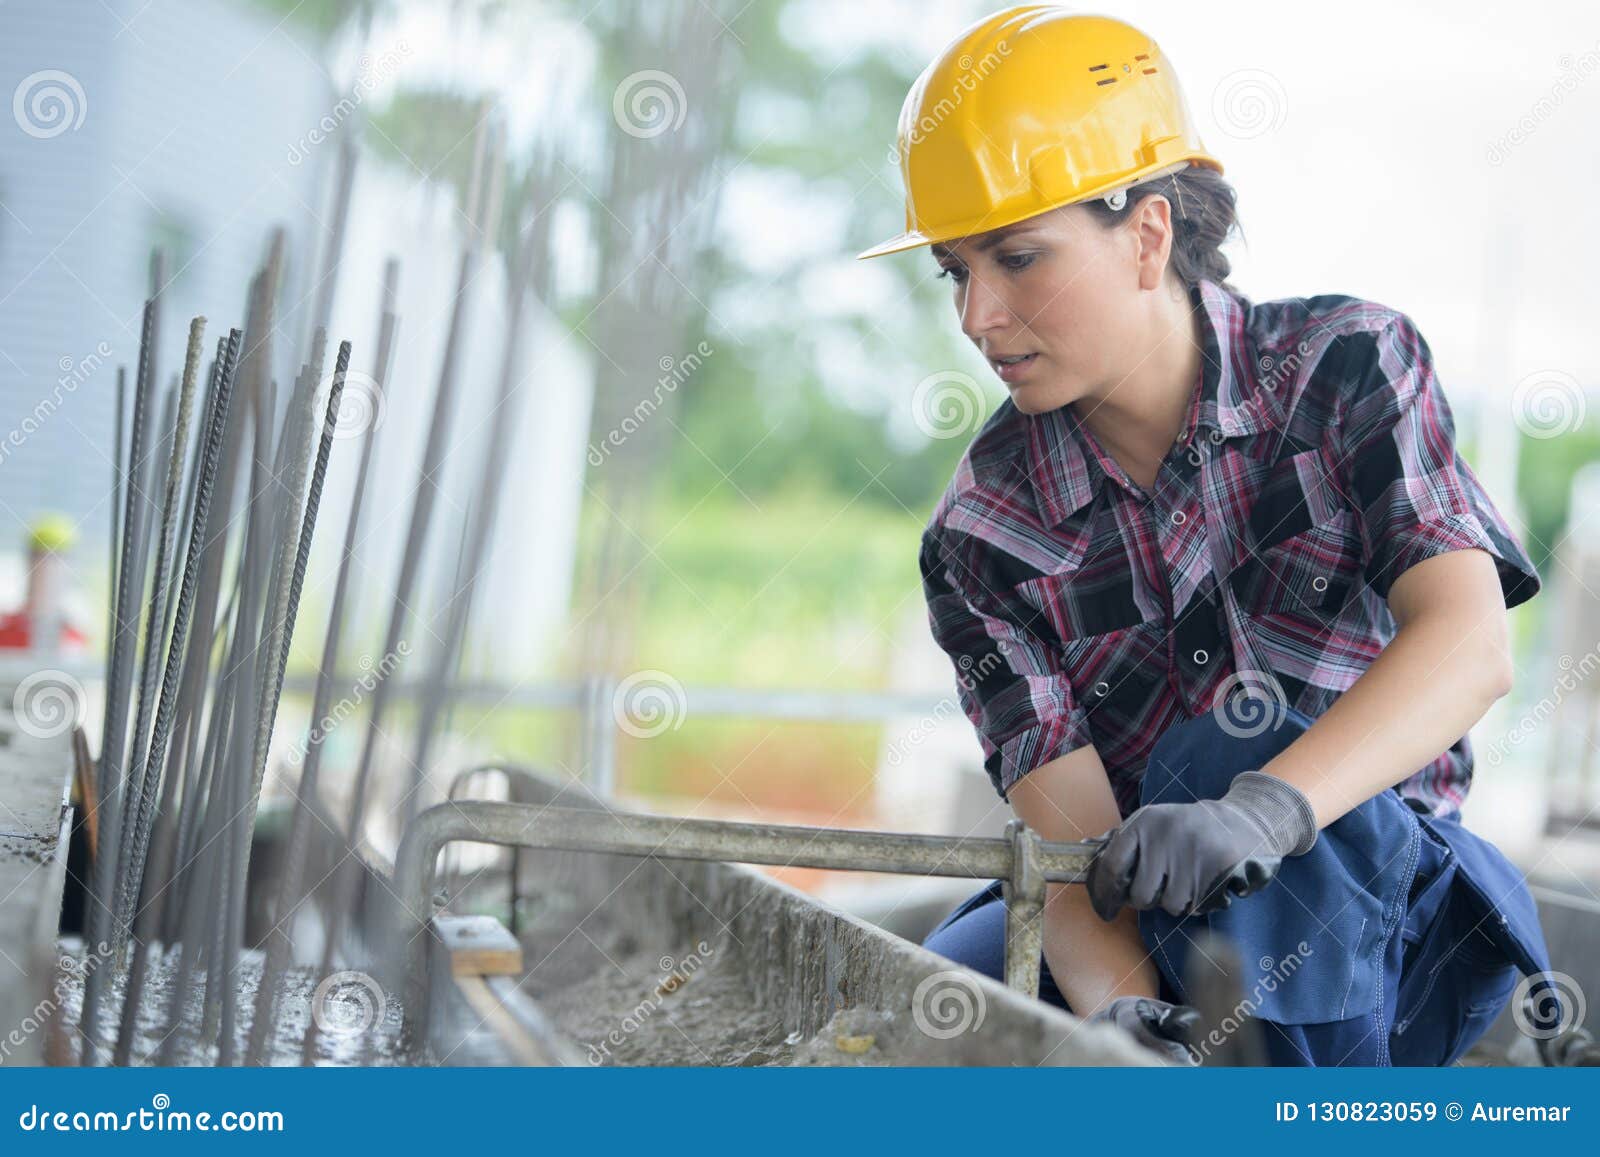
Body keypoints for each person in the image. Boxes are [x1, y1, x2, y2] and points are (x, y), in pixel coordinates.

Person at [858, 6, 1556, 1066]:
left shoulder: (1344, 368)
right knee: (954, 992)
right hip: (1142, 924)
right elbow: (1070, 841)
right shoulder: (980, 534)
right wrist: (1122, 1017)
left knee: (1235, 746)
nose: (976, 315)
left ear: (1146, 234)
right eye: (955, 271)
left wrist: (1267, 811)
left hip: (1379, 925)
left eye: (1015, 257)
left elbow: (1470, 646)